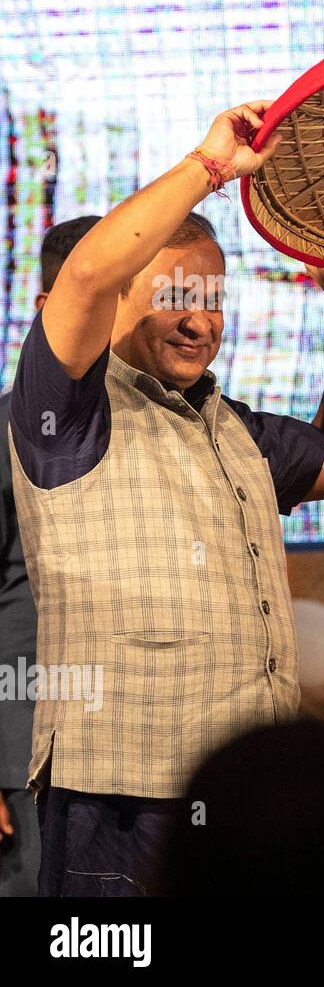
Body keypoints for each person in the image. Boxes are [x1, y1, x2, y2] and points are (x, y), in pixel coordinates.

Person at [7, 101, 324, 896]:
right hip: (117, 800)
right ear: (117, 301)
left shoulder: (234, 427)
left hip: (246, 790)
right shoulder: (66, 409)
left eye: (211, 299)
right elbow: (82, 273)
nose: (198, 320)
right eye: (175, 293)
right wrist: (209, 168)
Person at [0, 216, 102, 896]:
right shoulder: (6, 431)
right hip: (26, 754)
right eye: (96, 291)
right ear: (46, 308)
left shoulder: (171, 433)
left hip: (134, 756)